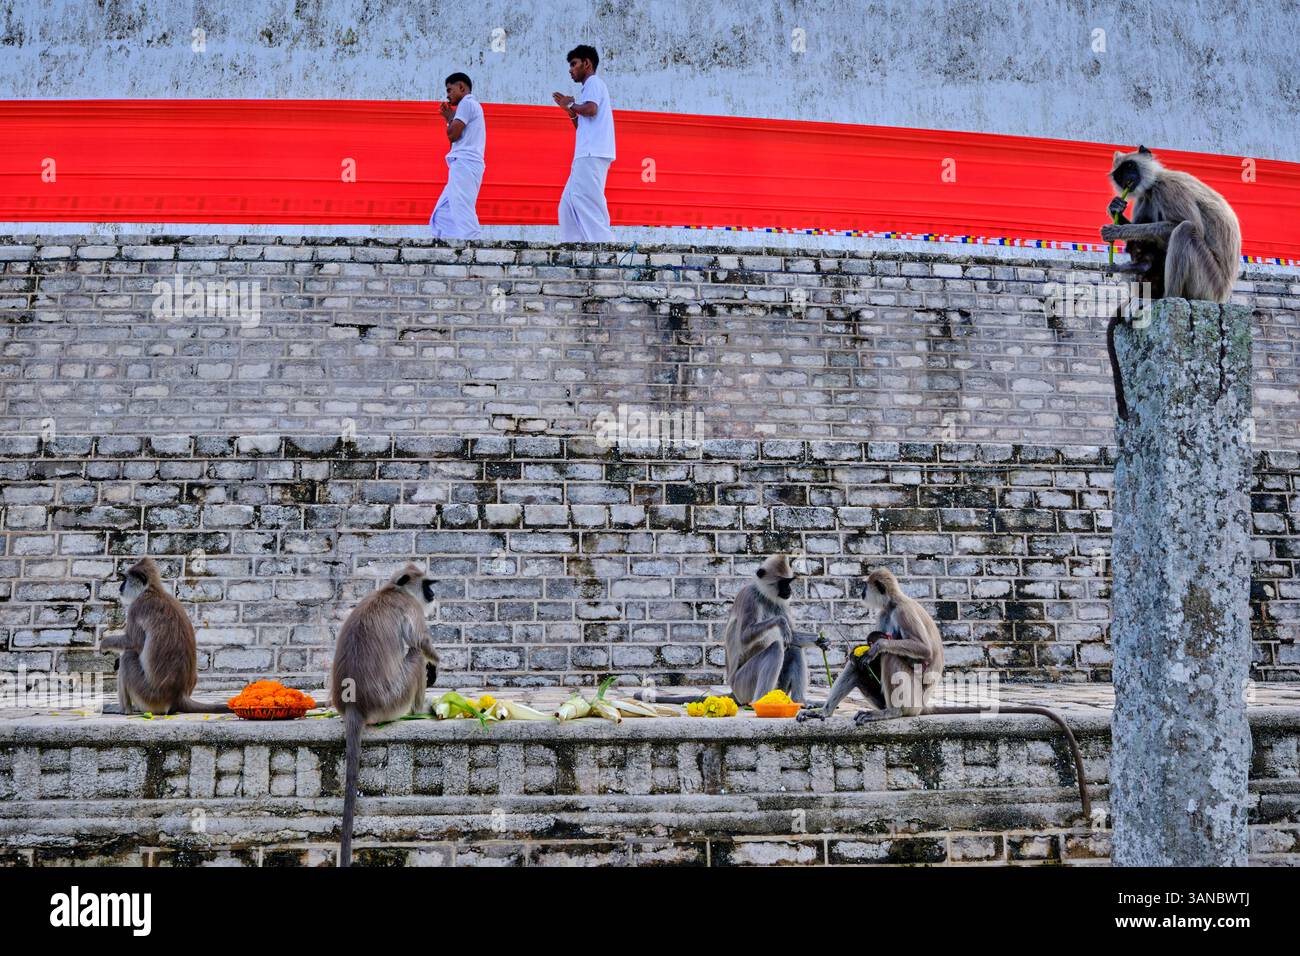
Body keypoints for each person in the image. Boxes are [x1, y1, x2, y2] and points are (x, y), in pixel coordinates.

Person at [551, 45, 615, 242]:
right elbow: (584, 124)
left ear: (586, 64)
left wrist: (571, 105)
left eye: (574, 64)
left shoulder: (593, 82)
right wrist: (571, 112)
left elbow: (591, 109)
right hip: (586, 154)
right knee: (567, 204)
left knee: (587, 202)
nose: (570, 70)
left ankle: (606, 249)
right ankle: (575, 248)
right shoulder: (589, 88)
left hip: (591, 154)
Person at [429, 72, 486, 240]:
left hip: (466, 163)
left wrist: (448, 118)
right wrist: (451, 118)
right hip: (462, 163)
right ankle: (450, 245)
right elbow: (456, 139)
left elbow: (453, 135)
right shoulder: (468, 106)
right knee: (442, 212)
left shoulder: (466, 103)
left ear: (461, 87)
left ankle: (474, 245)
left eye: (449, 90)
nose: (447, 95)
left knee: (462, 206)